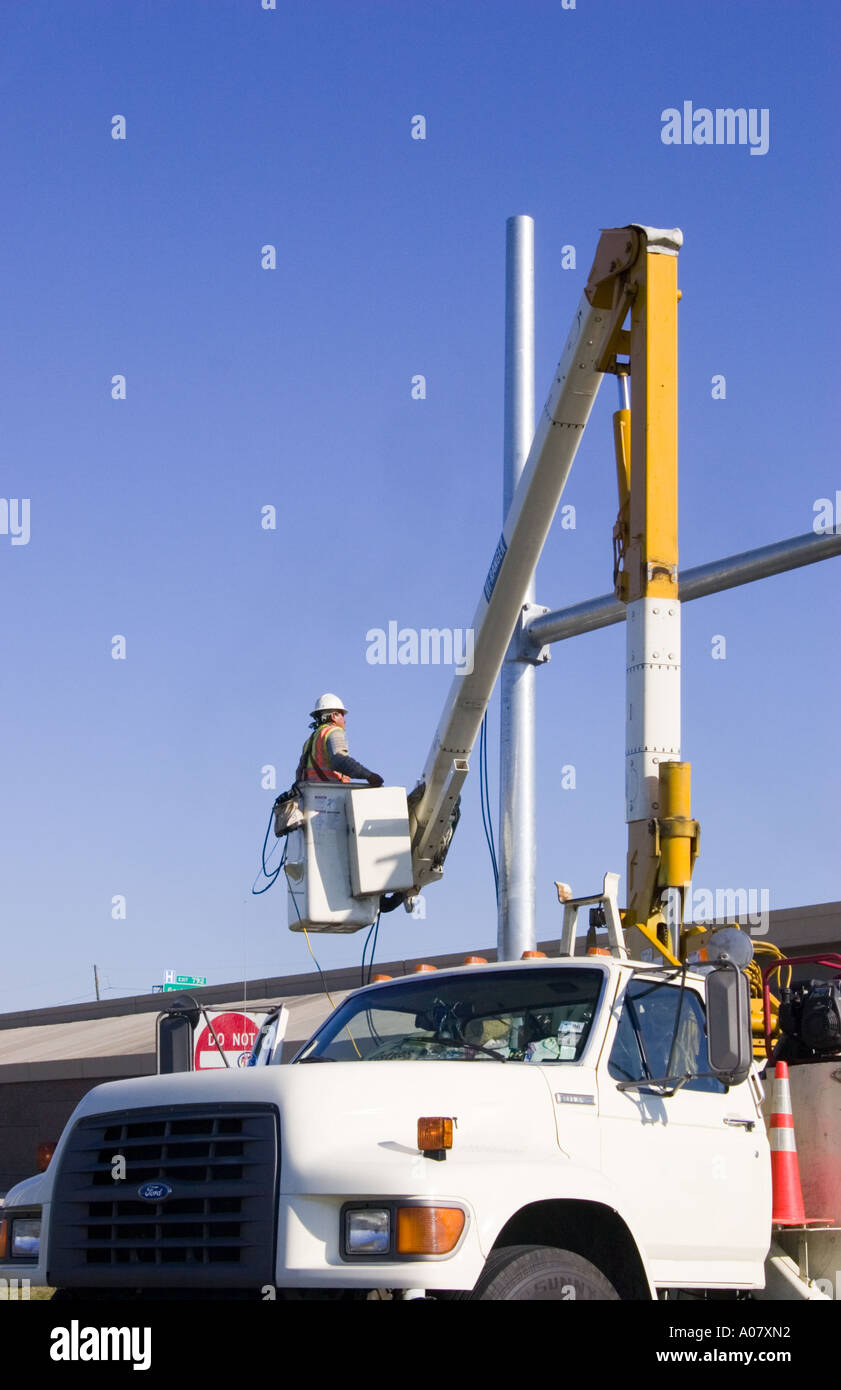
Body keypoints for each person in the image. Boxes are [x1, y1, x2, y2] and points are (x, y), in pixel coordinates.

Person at [296, 694, 384, 787]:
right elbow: (340, 760)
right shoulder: (333, 731)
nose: (344, 720)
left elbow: (299, 773)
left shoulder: (310, 741)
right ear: (334, 716)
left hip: (312, 794)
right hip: (331, 793)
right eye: (342, 715)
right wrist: (369, 775)